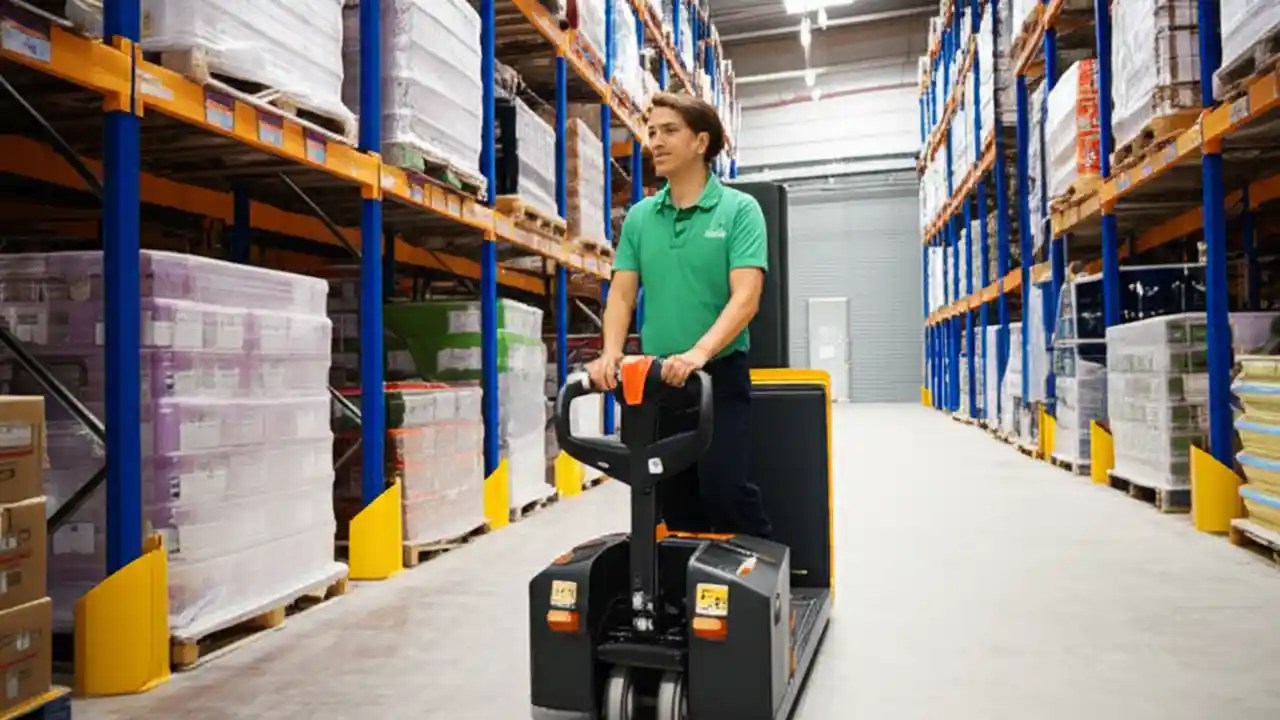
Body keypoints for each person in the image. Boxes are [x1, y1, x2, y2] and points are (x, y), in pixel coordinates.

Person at [585, 92, 773, 539]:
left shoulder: (739, 211)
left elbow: (746, 298)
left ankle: (767, 577)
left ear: (701, 142)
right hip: (657, 381)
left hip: (717, 377)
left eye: (669, 131)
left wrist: (698, 354)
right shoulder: (640, 218)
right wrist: (610, 352)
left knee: (724, 489)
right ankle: (689, 595)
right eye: (651, 132)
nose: (655, 141)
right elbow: (622, 295)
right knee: (673, 497)